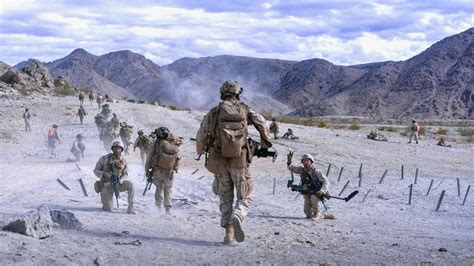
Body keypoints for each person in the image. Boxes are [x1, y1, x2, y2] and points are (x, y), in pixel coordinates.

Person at [196, 80, 272, 244]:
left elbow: (201, 135)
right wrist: (265, 145)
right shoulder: (245, 109)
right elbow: (262, 123)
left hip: (220, 161)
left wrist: (200, 151)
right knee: (245, 195)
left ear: (222, 93)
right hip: (240, 159)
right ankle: (238, 215)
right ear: (238, 94)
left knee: (225, 197)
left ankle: (229, 233)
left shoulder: (215, 112)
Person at [145, 127, 182, 214]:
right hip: (169, 170)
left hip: (158, 170)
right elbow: (177, 158)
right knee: (168, 189)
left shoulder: (156, 144)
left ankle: (158, 207)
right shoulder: (172, 144)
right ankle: (167, 209)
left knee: (159, 188)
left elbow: (149, 157)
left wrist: (147, 170)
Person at [287, 152, 333, 220]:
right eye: (304, 160)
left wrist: (322, 190)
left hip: (316, 193)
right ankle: (324, 215)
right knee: (308, 214)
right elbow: (292, 168)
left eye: (307, 160)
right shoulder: (302, 170)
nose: (305, 162)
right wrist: (289, 162)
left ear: (311, 162)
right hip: (307, 193)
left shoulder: (316, 172)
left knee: (313, 198)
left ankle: (317, 213)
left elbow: (326, 181)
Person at [93, 140, 135, 214]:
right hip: (107, 184)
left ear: (122, 150)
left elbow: (126, 174)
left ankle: (131, 208)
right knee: (108, 209)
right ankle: (106, 203)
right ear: (112, 149)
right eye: (115, 148)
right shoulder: (104, 158)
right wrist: (103, 174)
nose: (117, 150)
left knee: (131, 184)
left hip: (118, 183)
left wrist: (121, 180)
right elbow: (96, 170)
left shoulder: (124, 161)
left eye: (119, 148)